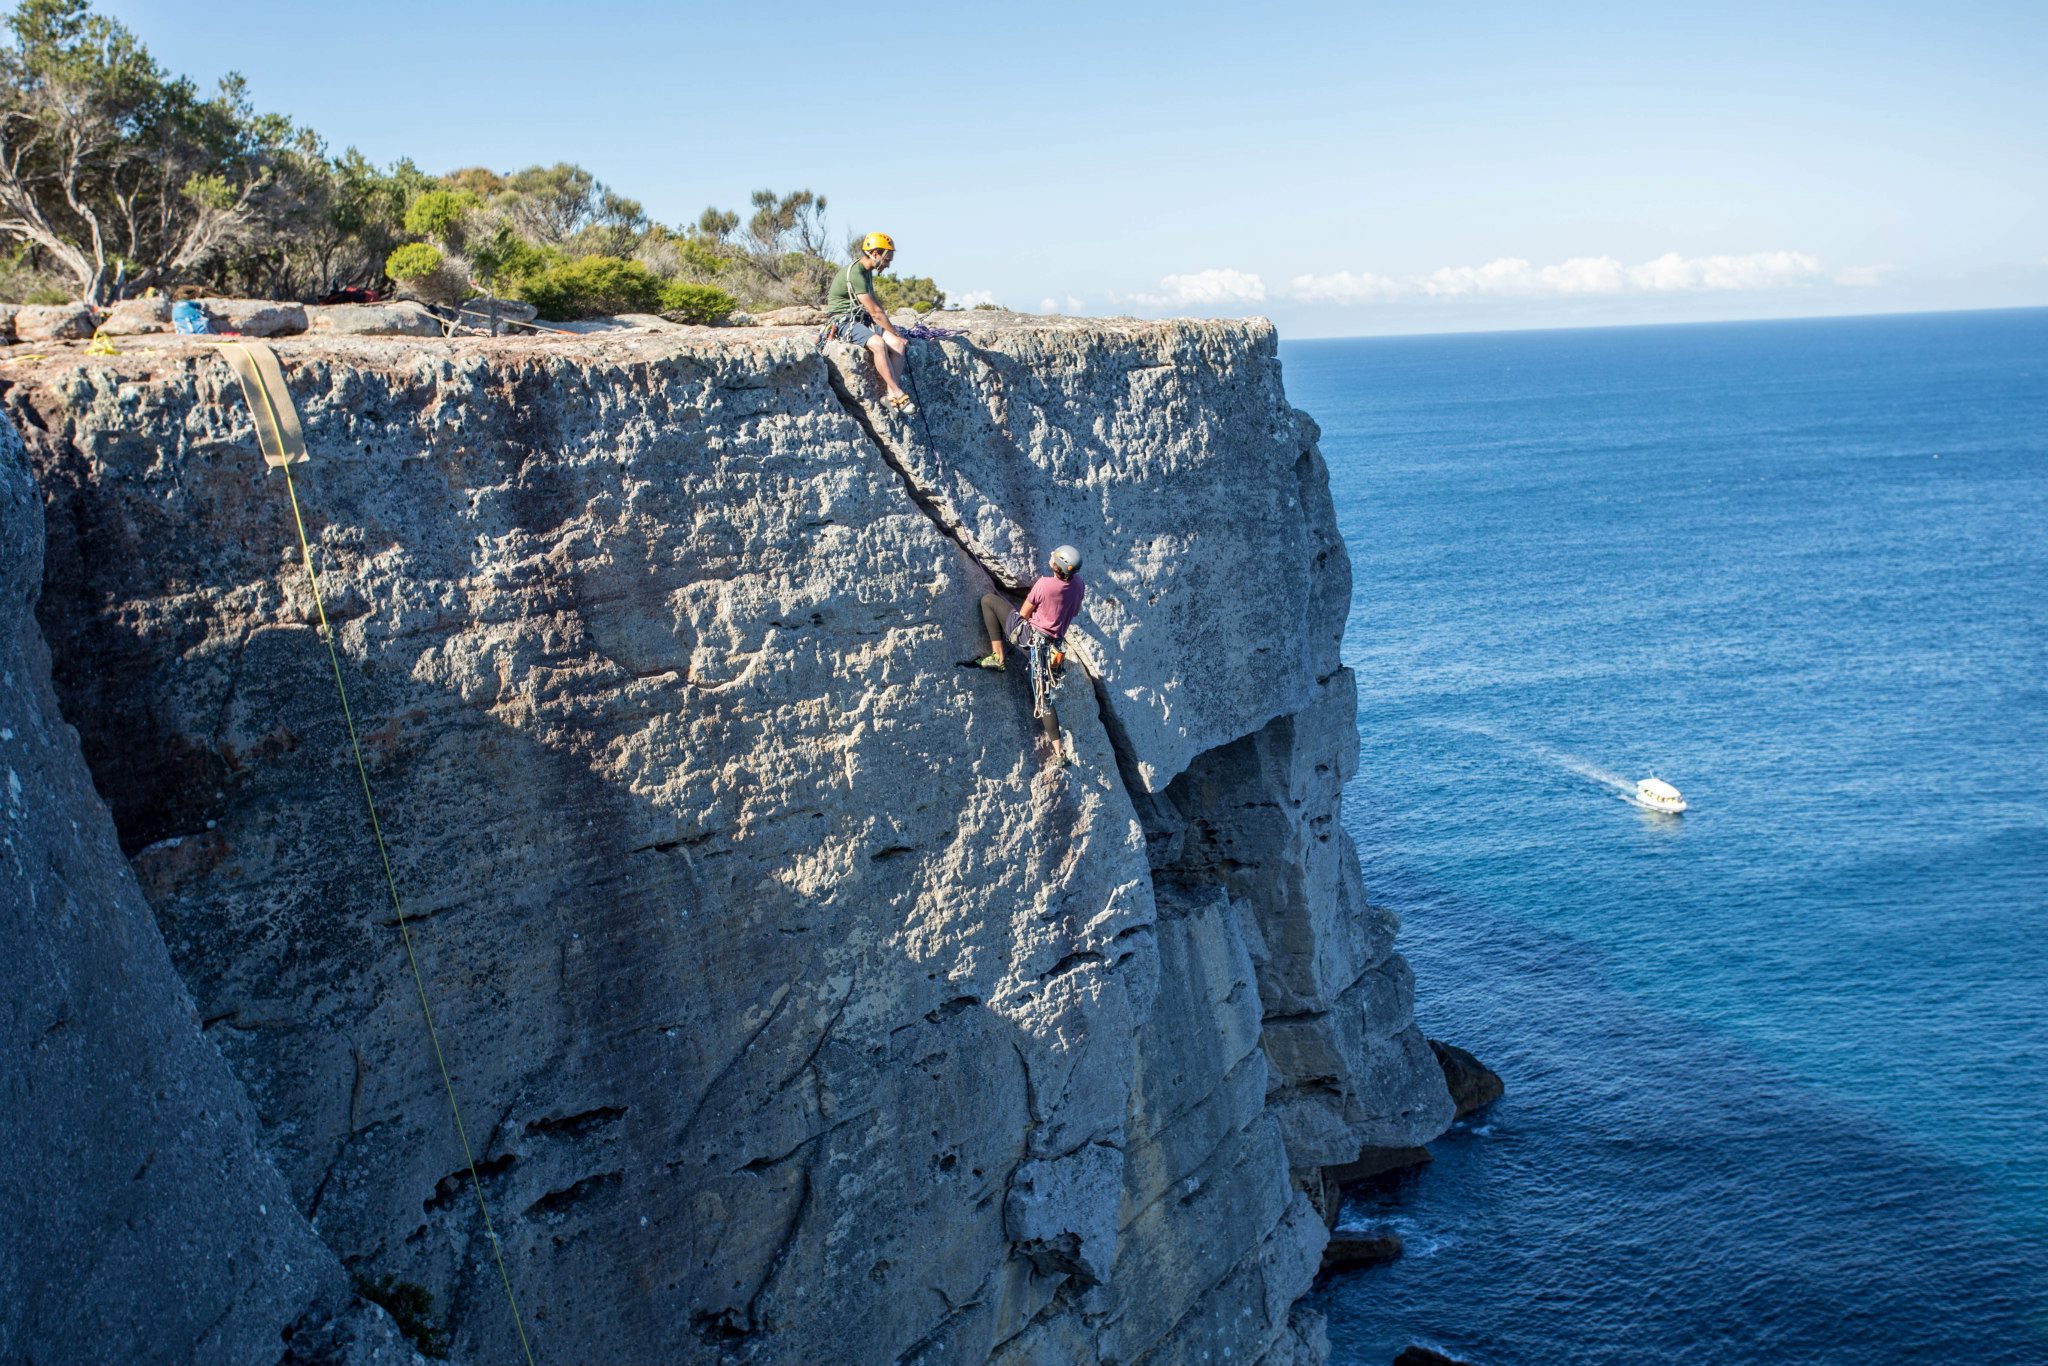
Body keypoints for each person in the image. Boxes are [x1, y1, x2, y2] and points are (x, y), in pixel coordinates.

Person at [828, 232, 914, 411]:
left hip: (861, 319)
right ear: (875, 254)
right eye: (887, 260)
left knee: (898, 344)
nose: (888, 264)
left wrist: (895, 334)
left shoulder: (866, 272)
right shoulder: (856, 273)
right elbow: (875, 313)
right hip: (845, 322)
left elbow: (876, 304)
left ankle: (890, 396)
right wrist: (893, 330)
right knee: (878, 344)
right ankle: (897, 392)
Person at [977, 545, 1085, 672]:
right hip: (1051, 650)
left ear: (1057, 565)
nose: (1051, 554)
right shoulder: (1079, 584)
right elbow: (1075, 612)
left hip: (1030, 641)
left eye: (1054, 555)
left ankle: (998, 657)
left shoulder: (1044, 584)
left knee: (988, 600)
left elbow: (1023, 614)